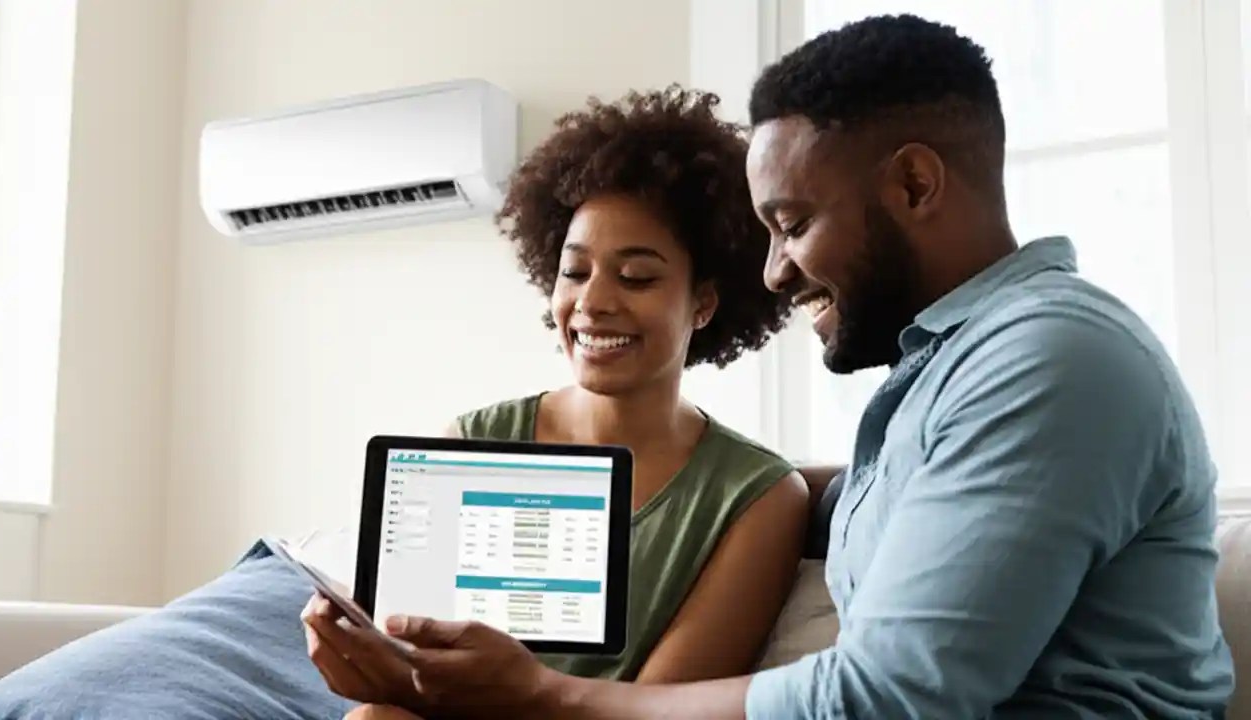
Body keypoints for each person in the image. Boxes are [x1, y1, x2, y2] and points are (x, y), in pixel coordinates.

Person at [303, 14, 1235, 719]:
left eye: (791, 224)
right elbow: (908, 501)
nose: (775, 269)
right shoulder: (957, 372)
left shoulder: (1048, 362)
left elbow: (887, 697)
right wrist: (744, 480)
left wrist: (554, 696)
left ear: (914, 186)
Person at [305, 85, 813, 709]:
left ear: (704, 301)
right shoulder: (472, 442)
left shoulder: (756, 499)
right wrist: (371, 664)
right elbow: (413, 668)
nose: (592, 302)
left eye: (636, 277)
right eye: (574, 271)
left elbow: (660, 709)